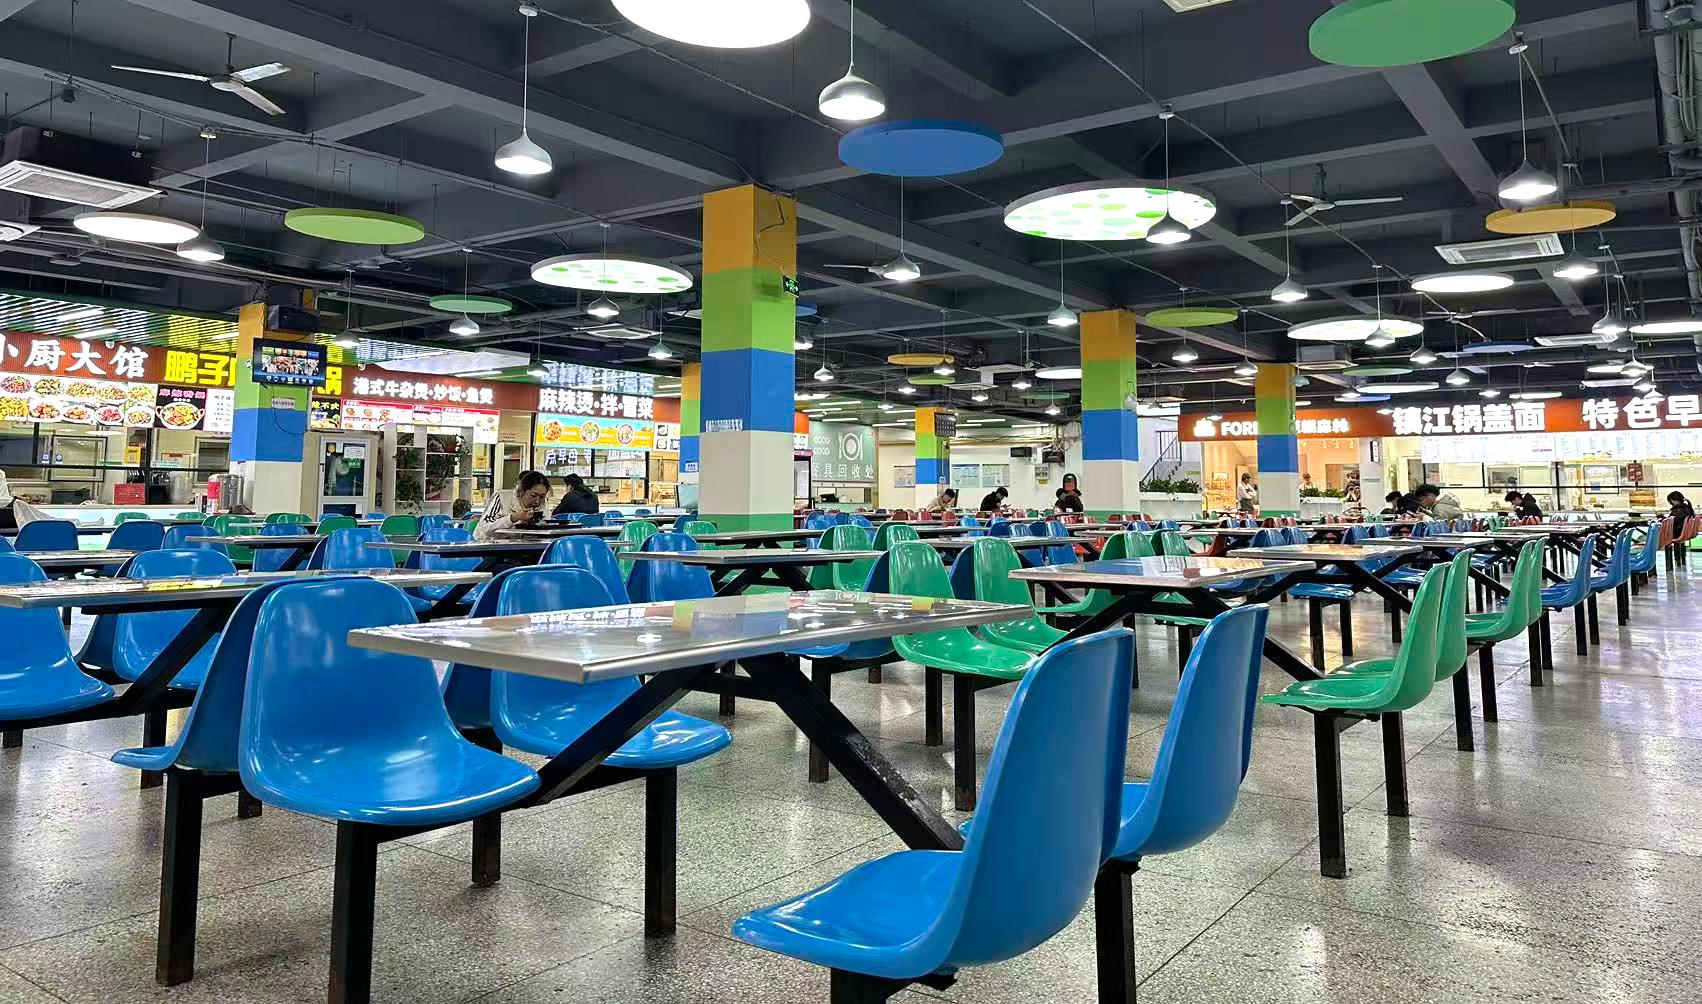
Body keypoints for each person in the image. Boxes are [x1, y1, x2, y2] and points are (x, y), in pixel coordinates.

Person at [475, 470, 551, 540]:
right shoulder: (502, 498)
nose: (537, 501)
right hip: (489, 545)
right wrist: (513, 518)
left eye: (542, 497)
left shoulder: (542, 506)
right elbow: (486, 527)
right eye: (533, 496)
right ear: (522, 491)